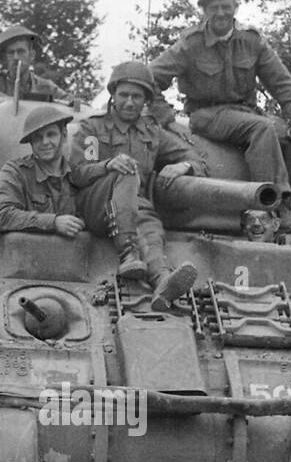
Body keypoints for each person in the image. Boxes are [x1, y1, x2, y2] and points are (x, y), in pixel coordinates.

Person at [0, 103, 197, 312]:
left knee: (130, 188)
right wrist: (53, 222)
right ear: (30, 143)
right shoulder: (16, 172)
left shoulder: (77, 173)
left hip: (84, 264)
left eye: (51, 135)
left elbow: (99, 182)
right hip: (35, 266)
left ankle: (151, 271)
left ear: (63, 135)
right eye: (38, 138)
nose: (45, 142)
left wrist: (112, 165)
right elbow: (2, 214)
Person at [149, 0, 291, 222]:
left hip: (245, 112)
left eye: (226, 6)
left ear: (235, 7)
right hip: (207, 115)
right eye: (214, 8)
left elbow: (283, 83)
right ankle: (275, 209)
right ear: (204, 12)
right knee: (261, 128)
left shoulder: (251, 41)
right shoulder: (191, 44)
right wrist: (166, 117)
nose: (220, 13)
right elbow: (148, 78)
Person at [69, 60, 204, 301]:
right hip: (96, 205)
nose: (129, 102)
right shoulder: (93, 128)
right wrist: (107, 165)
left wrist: (184, 165)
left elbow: (194, 157)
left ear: (146, 101)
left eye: (136, 96)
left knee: (151, 226)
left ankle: (162, 280)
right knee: (128, 172)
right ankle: (128, 254)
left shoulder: (151, 131)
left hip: (135, 208)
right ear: (113, 95)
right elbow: (77, 173)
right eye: (123, 95)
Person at [0, 25, 66, 103]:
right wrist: (9, 101)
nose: (16, 57)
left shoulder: (45, 86)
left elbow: (74, 103)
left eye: (21, 52)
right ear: (5, 57)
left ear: (31, 55)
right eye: (11, 53)